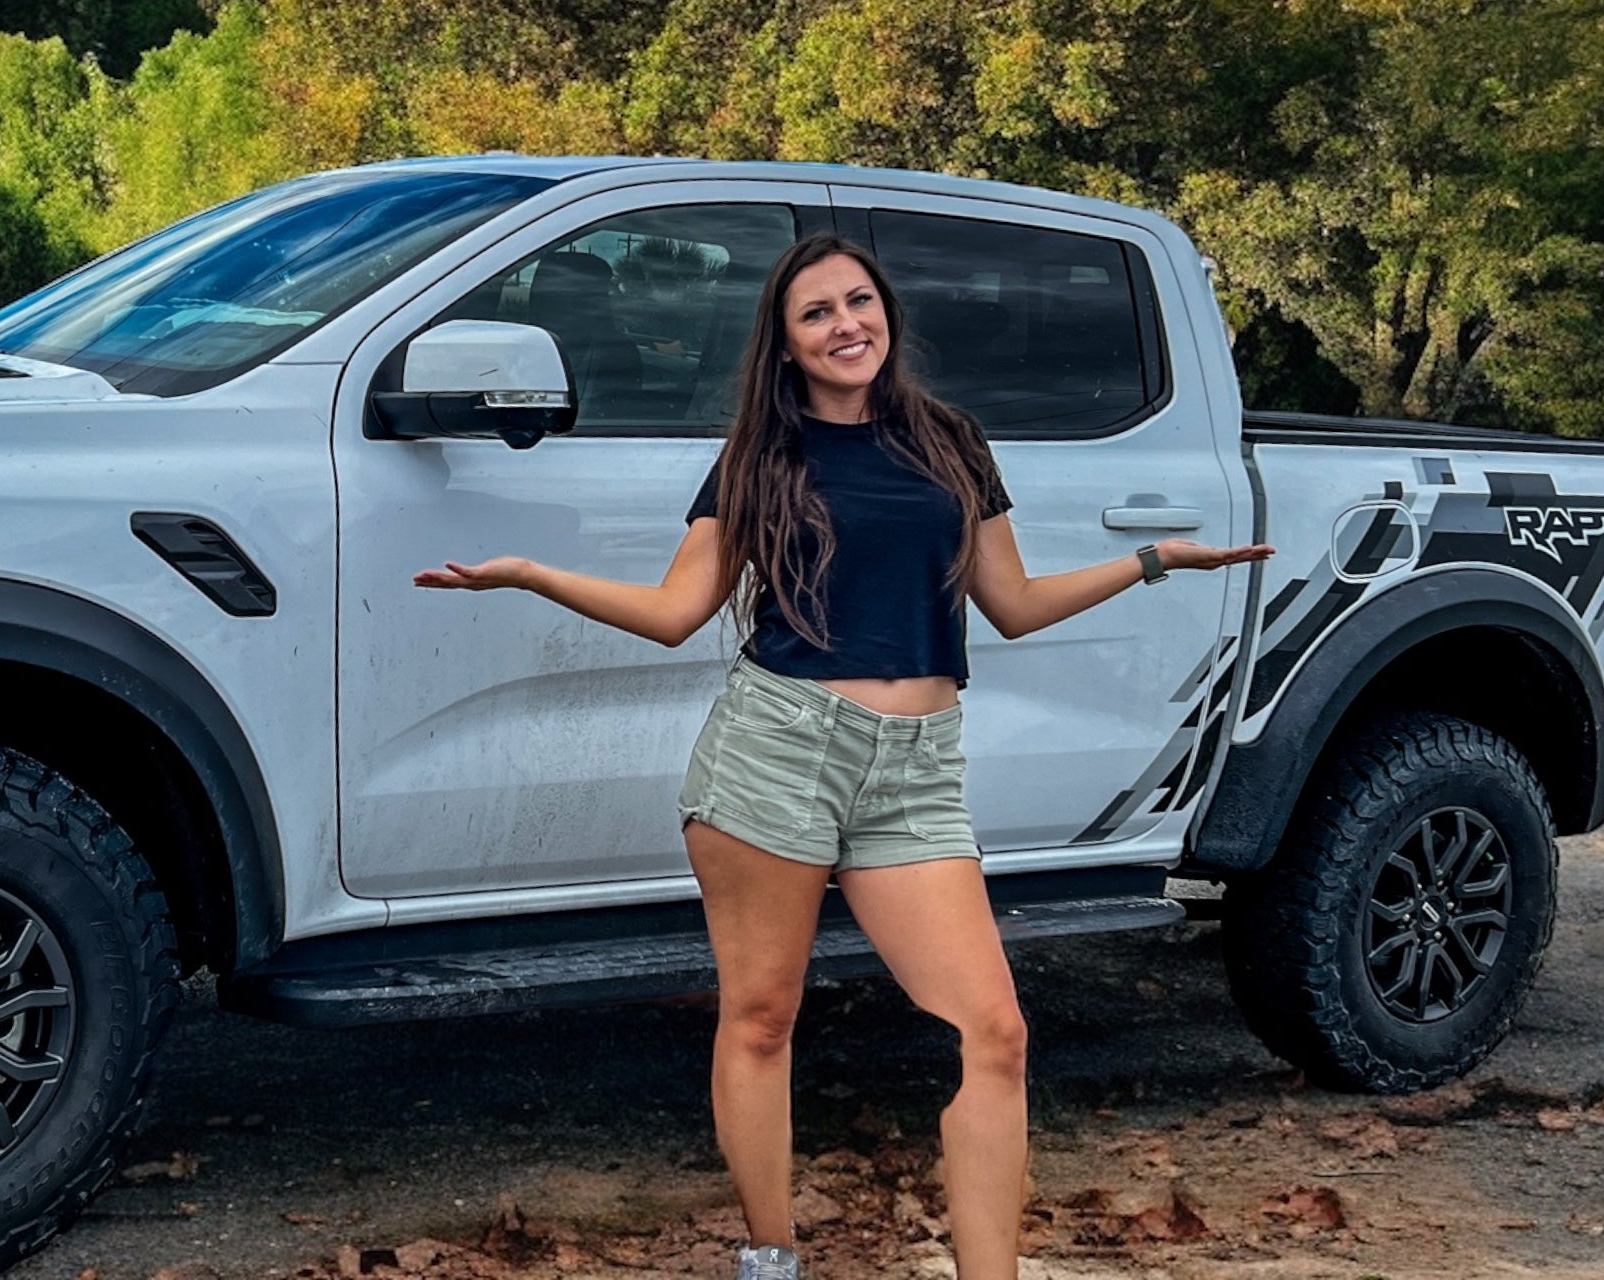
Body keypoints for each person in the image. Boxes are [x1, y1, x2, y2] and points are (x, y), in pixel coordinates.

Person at [414, 234, 1274, 1280]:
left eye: (858, 301)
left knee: (994, 1031)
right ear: (785, 346)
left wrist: (1151, 562)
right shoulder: (759, 459)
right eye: (815, 313)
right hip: (778, 750)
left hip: (916, 769)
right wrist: (529, 575)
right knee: (764, 1016)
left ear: (887, 314)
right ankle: (770, 1259)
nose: (844, 325)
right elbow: (676, 613)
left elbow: (1010, 603)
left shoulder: (949, 440)